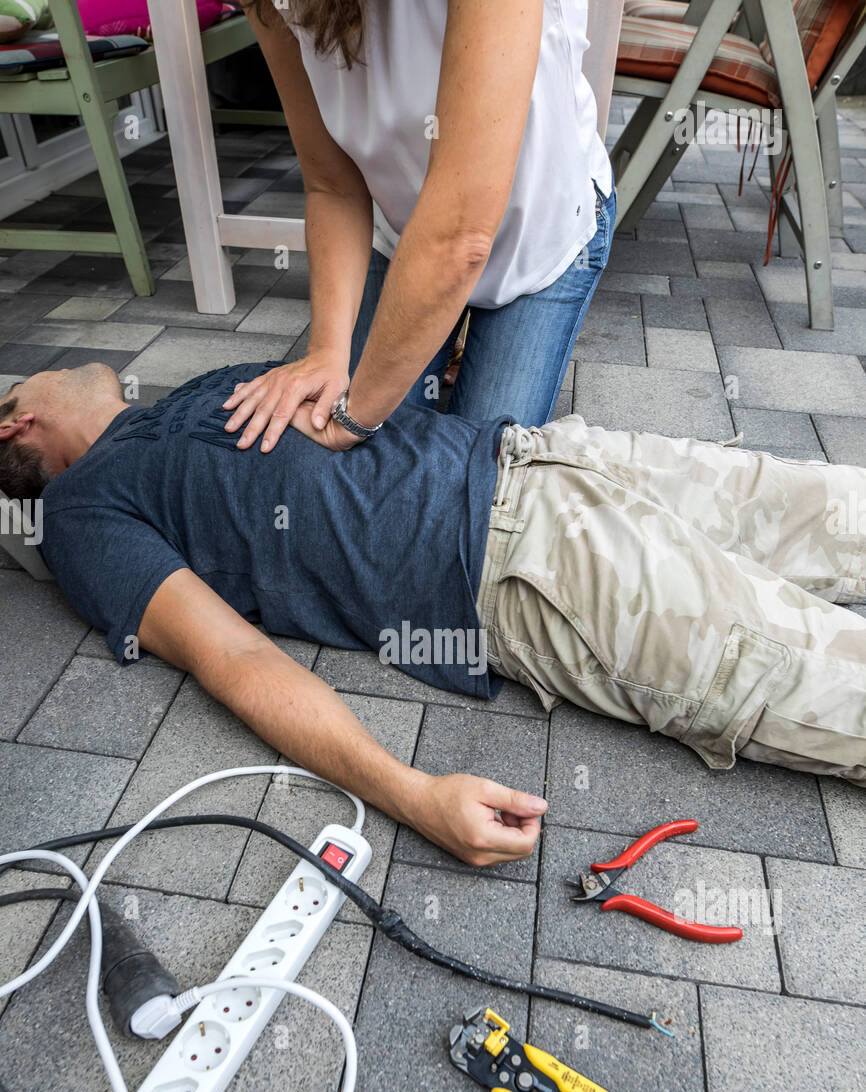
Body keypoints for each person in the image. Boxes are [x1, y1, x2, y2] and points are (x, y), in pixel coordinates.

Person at [1, 362, 863, 870]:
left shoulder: (172, 406)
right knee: (831, 681)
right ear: (20, 420)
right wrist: (412, 797)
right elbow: (232, 658)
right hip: (527, 568)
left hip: (544, 453)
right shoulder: (83, 514)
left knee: (838, 507)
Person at [222, 0, 615, 454]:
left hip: (539, 234)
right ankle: (440, 330)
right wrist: (326, 353)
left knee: (465, 476)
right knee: (361, 453)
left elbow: (462, 239)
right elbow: (332, 185)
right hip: (406, 227)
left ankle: (453, 333)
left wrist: (354, 417)